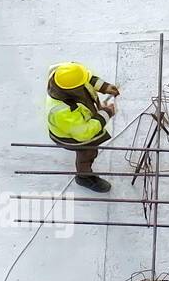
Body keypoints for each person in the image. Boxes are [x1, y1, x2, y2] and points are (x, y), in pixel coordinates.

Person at [45, 62, 119, 193]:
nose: (85, 81)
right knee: (88, 151)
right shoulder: (61, 112)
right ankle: (83, 177)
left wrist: (104, 87)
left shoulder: (62, 75)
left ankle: (84, 175)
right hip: (70, 136)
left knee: (89, 140)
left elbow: (88, 78)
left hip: (78, 122)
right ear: (72, 90)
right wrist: (106, 114)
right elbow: (84, 133)